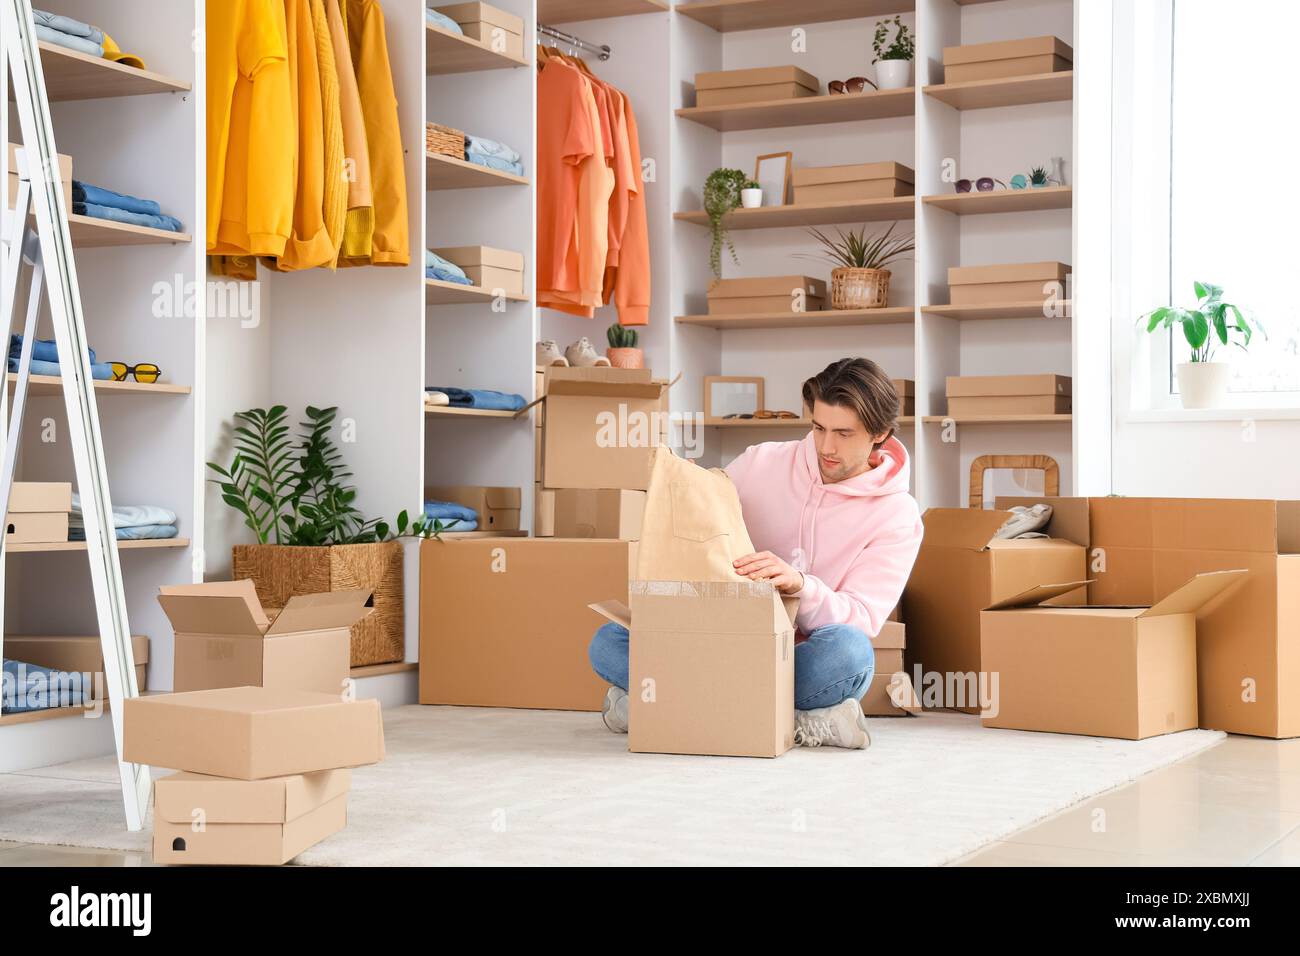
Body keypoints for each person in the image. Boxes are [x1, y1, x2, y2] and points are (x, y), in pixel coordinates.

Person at [588, 357, 924, 749]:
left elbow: (862, 619)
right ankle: (790, 717)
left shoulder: (897, 516)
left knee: (850, 656)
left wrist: (801, 586)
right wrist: (692, 490)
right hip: (722, 638)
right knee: (608, 641)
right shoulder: (763, 461)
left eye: (844, 434)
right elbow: (710, 523)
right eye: (818, 428)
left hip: (793, 656)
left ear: (879, 433)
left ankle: (671, 705)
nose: (826, 447)